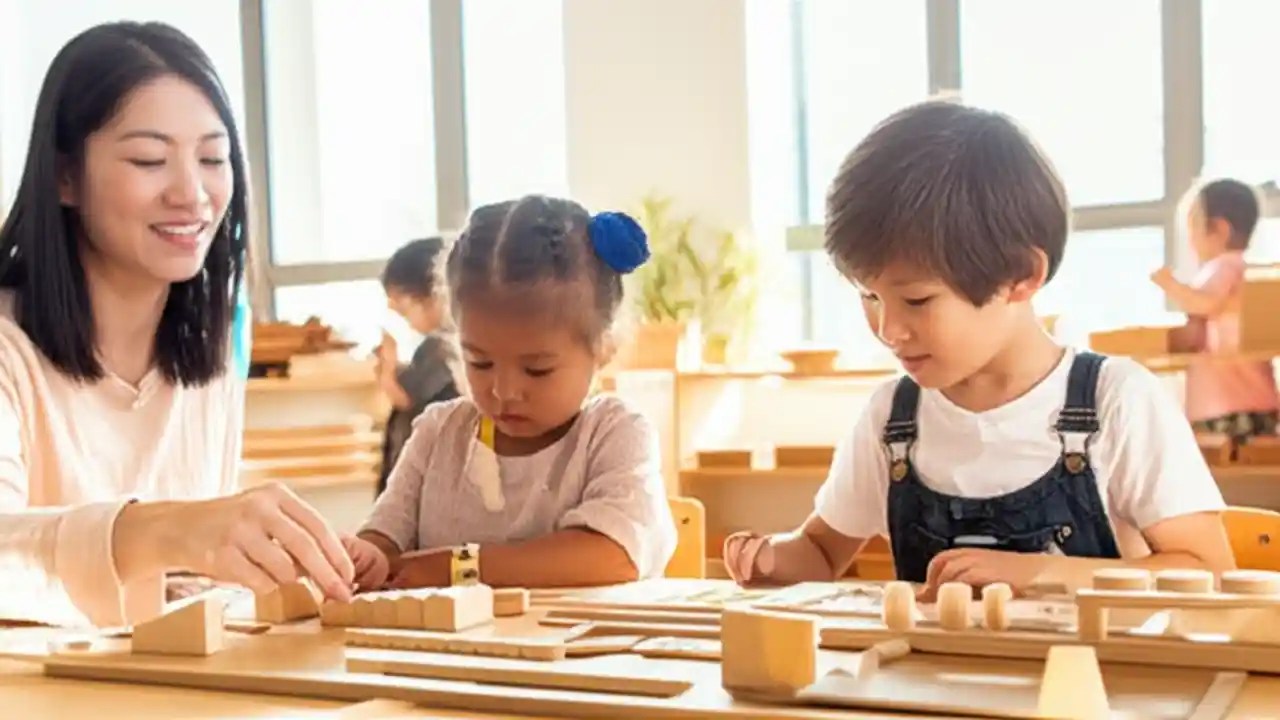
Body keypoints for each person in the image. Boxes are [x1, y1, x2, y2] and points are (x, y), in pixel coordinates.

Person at [722, 100, 1234, 598]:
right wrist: (770, 557)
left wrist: (1033, 574)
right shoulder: (894, 419)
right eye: (869, 296)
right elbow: (821, 552)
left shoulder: (1116, 401)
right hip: (928, 683)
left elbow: (1206, 571)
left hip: (1089, 682)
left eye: (917, 300)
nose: (888, 329)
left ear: (1020, 276)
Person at [0, 21, 352, 628]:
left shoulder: (209, 354)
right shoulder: (11, 352)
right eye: (149, 159)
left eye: (213, 159)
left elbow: (186, 598)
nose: (192, 194)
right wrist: (164, 530)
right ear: (64, 177)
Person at [342, 195, 677, 589]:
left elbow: (612, 556)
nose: (503, 391)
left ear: (603, 348)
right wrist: (368, 557)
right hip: (453, 652)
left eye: (537, 369)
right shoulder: (439, 432)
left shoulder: (614, 433)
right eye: (480, 363)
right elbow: (386, 539)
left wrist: (456, 566)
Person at [1151, 179, 1279, 452]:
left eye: (1194, 228)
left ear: (1219, 230)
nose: (1192, 242)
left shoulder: (1223, 266)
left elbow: (1205, 303)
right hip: (1261, 401)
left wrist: (1171, 285)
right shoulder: (1248, 273)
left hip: (1225, 404)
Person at [375, 237, 462, 496]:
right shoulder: (449, 347)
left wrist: (387, 365)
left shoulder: (441, 346)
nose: (408, 322)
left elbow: (404, 397)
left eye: (404, 310)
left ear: (435, 296)